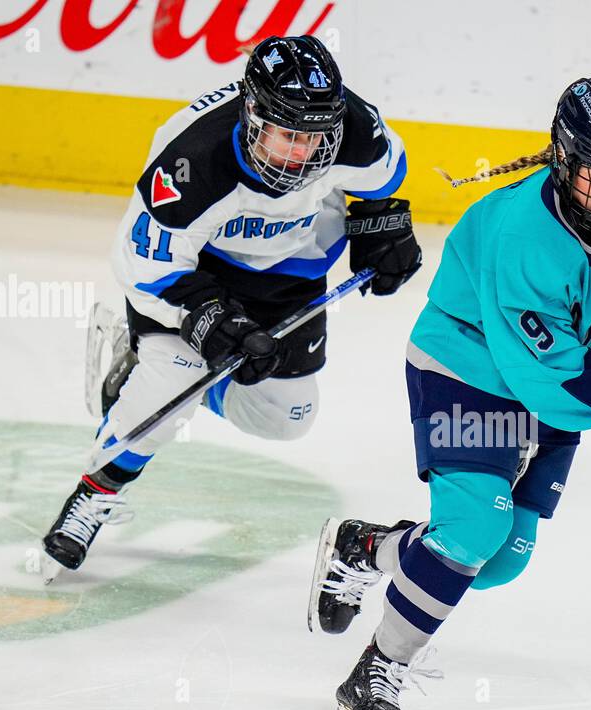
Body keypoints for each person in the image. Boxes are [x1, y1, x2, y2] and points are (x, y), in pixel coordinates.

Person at [306, 75, 591, 710]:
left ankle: (369, 546)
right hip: (469, 368)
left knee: (500, 559)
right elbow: (554, 381)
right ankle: (375, 674)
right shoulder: (522, 237)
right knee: (475, 527)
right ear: (562, 161)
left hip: (560, 374)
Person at [39, 35, 422, 581]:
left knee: (288, 418)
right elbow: (143, 265)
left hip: (292, 275)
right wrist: (214, 323)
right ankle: (98, 488)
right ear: (252, 115)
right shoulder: (191, 161)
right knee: (172, 381)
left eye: (316, 139)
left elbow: (383, 183)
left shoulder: (356, 132)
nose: (302, 154)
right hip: (197, 277)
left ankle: (196, 379)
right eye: (287, 136)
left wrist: (382, 225)